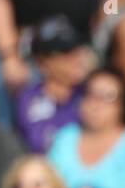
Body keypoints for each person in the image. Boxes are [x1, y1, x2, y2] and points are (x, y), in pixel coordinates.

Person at [47, 67, 125, 188]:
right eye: (90, 94)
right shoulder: (65, 137)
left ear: (122, 105)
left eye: (108, 97)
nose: (96, 104)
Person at [13, 15, 90, 153]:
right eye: (66, 51)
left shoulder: (91, 93)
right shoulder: (28, 99)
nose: (77, 57)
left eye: (77, 48)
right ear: (42, 62)